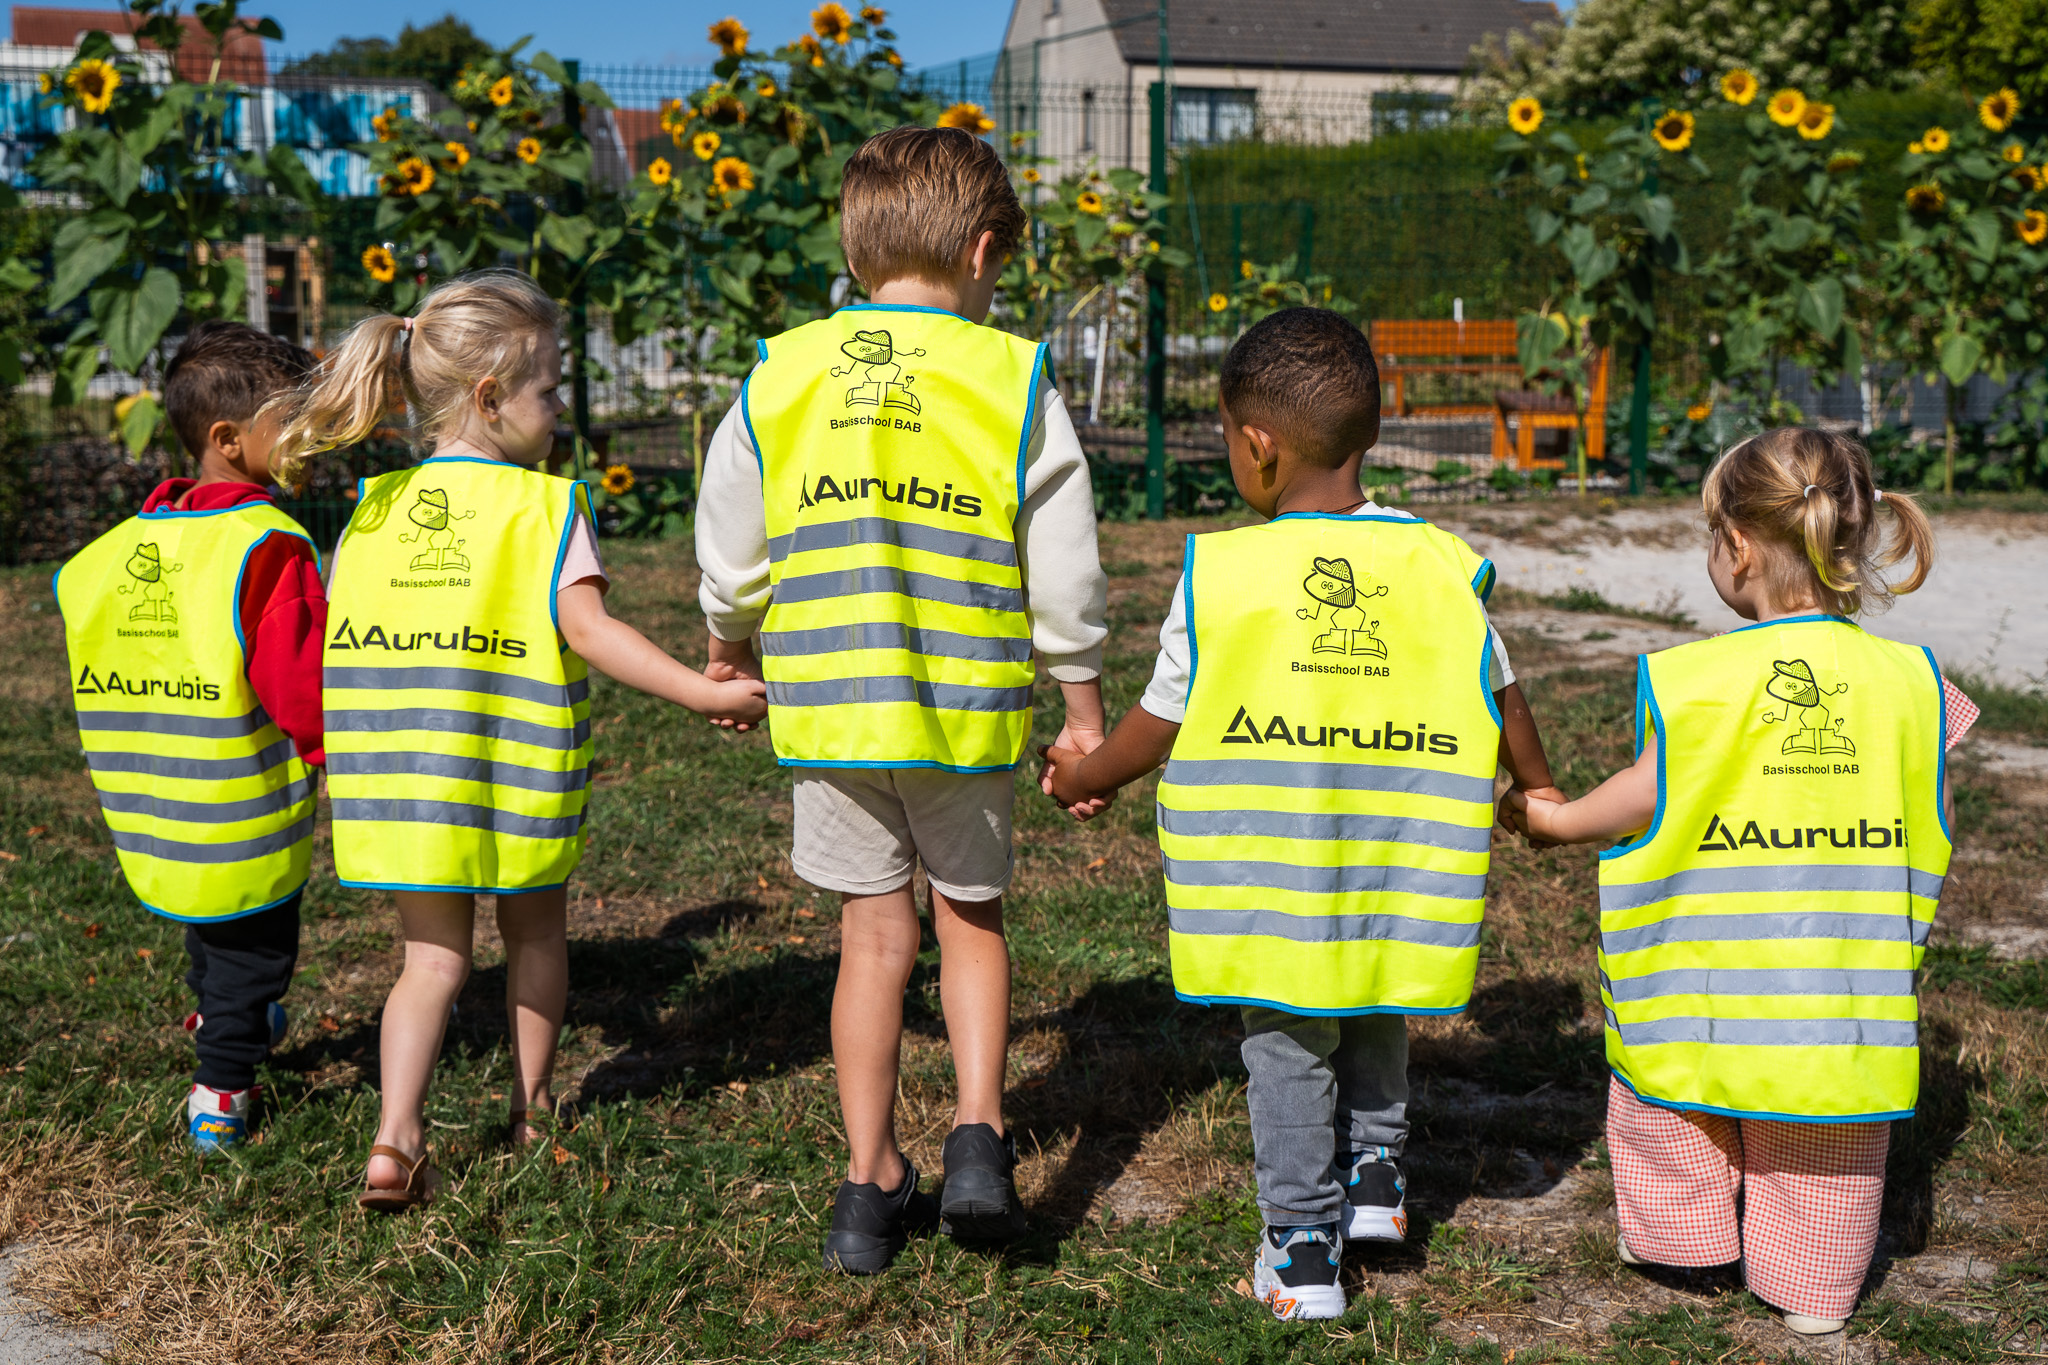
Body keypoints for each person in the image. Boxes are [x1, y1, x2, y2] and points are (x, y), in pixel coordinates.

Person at [1041, 307, 1562, 1321]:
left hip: (1267, 874)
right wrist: (1528, 789)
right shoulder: (1441, 565)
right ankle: (1376, 1180)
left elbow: (1157, 723)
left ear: (1256, 445)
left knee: (1284, 1048)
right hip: (1393, 859)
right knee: (1373, 1003)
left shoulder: (1222, 576)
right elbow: (1500, 692)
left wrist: (1082, 776)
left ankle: (1303, 1245)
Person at [695, 126, 1111, 1273]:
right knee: (967, 923)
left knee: (871, 940)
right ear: (983, 252)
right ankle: (979, 1137)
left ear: (855, 246)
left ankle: (865, 1185)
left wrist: (729, 646)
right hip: (964, 710)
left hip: (830, 706)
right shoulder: (1011, 376)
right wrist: (1079, 710)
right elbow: (1062, 568)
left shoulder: (780, 373)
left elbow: (733, 546)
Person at [271, 270, 767, 1212]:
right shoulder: (547, 508)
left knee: (430, 962)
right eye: (552, 389)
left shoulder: (370, 513)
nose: (562, 408)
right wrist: (700, 695)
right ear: (492, 398)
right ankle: (535, 1111)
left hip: (401, 782)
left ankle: (395, 1136)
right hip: (511, 773)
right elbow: (593, 634)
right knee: (534, 934)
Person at [1505, 427, 1972, 1337]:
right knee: (1826, 1142)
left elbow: (1643, 793)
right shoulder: (1913, 682)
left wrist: (1555, 818)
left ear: (1740, 548)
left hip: (1705, 986)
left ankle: (1686, 1243)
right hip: (1844, 994)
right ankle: (1813, 1287)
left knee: (1670, 1104)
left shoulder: (1698, 681)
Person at [54, 321, 324, 1153]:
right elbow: (300, 688)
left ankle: (224, 1012)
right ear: (228, 440)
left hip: (152, 804)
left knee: (212, 934)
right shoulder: (266, 548)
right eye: (297, 424)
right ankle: (221, 1090)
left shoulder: (116, 550)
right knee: (254, 948)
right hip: (239, 806)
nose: (313, 443)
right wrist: (341, 757)